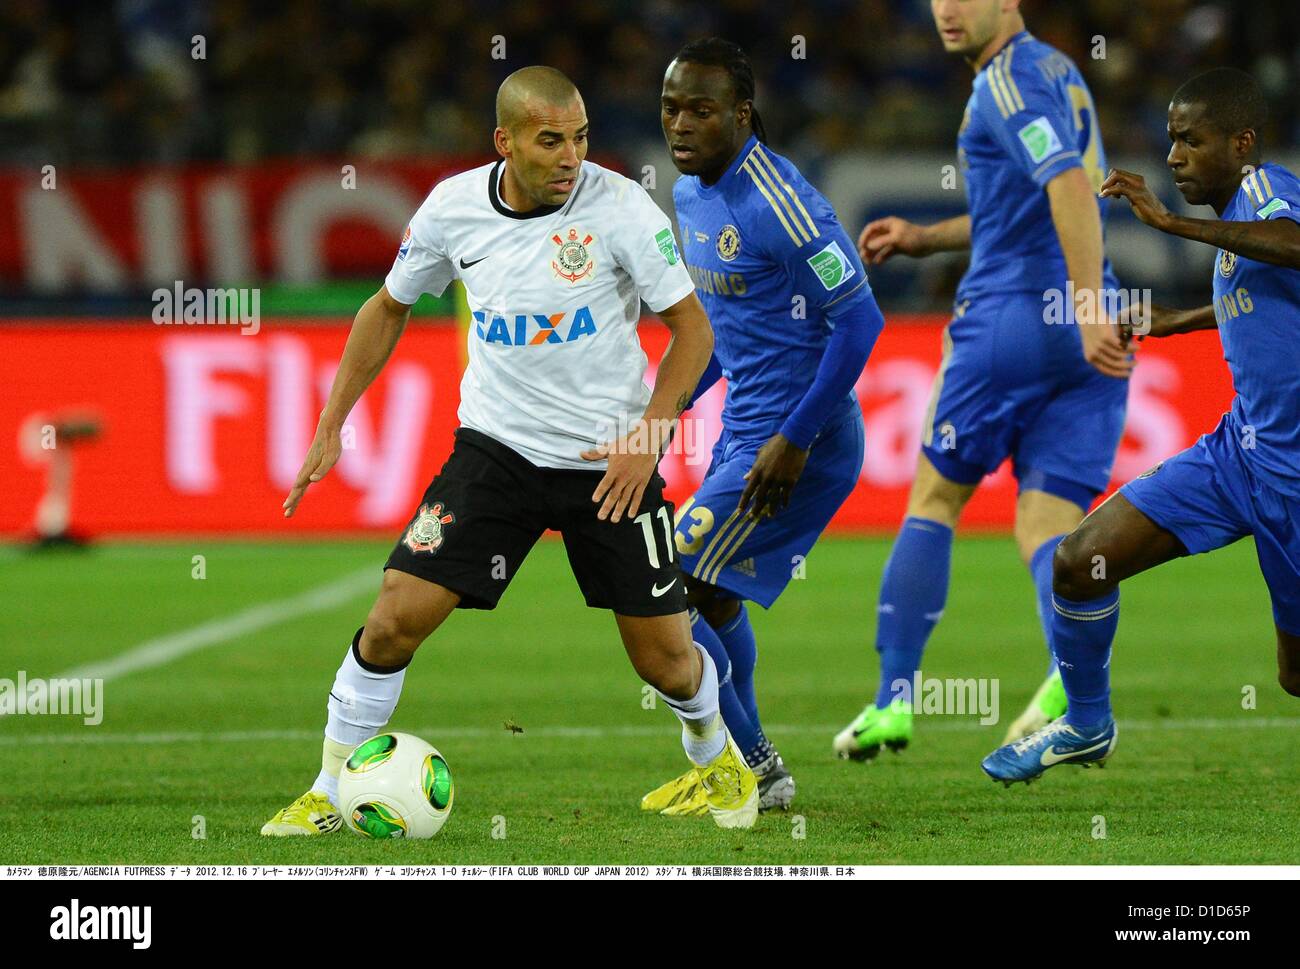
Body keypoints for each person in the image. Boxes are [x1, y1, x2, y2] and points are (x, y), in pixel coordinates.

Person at [261, 65, 759, 835]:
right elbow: (387, 307)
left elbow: (694, 331)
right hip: (496, 453)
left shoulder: (622, 209)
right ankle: (328, 791)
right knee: (394, 615)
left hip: (607, 463)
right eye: (550, 139)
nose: (571, 156)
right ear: (506, 142)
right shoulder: (453, 210)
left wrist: (651, 434)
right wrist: (332, 421)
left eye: (582, 137)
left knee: (664, 660)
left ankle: (714, 755)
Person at [982, 68, 1300, 783]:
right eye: (1171, 140)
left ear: (1242, 142)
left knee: (1295, 678)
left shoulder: (1269, 193)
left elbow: (1294, 244)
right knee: (1079, 560)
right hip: (1238, 458)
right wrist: (1179, 320)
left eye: (1193, 140)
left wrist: (1168, 224)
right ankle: (1087, 722)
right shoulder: (1237, 228)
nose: (1176, 155)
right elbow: (1268, 296)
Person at [835, 0, 1131, 761]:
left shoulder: (1003, 81)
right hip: (1087, 330)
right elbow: (1034, 200)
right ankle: (1072, 676)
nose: (947, 9)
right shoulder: (1059, 70)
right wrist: (924, 237)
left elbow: (1066, 184)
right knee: (1047, 527)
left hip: (1012, 320)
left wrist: (1084, 305)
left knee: (934, 499)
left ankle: (893, 702)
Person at [640, 38, 884, 817]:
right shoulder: (691, 195)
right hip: (747, 430)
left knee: (660, 584)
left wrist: (796, 438)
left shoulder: (779, 201)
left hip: (795, 442)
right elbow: (724, 330)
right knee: (708, 599)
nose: (681, 124)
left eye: (701, 110)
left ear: (741, 115)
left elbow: (860, 319)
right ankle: (755, 766)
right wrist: (667, 406)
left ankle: (749, 765)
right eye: (672, 107)